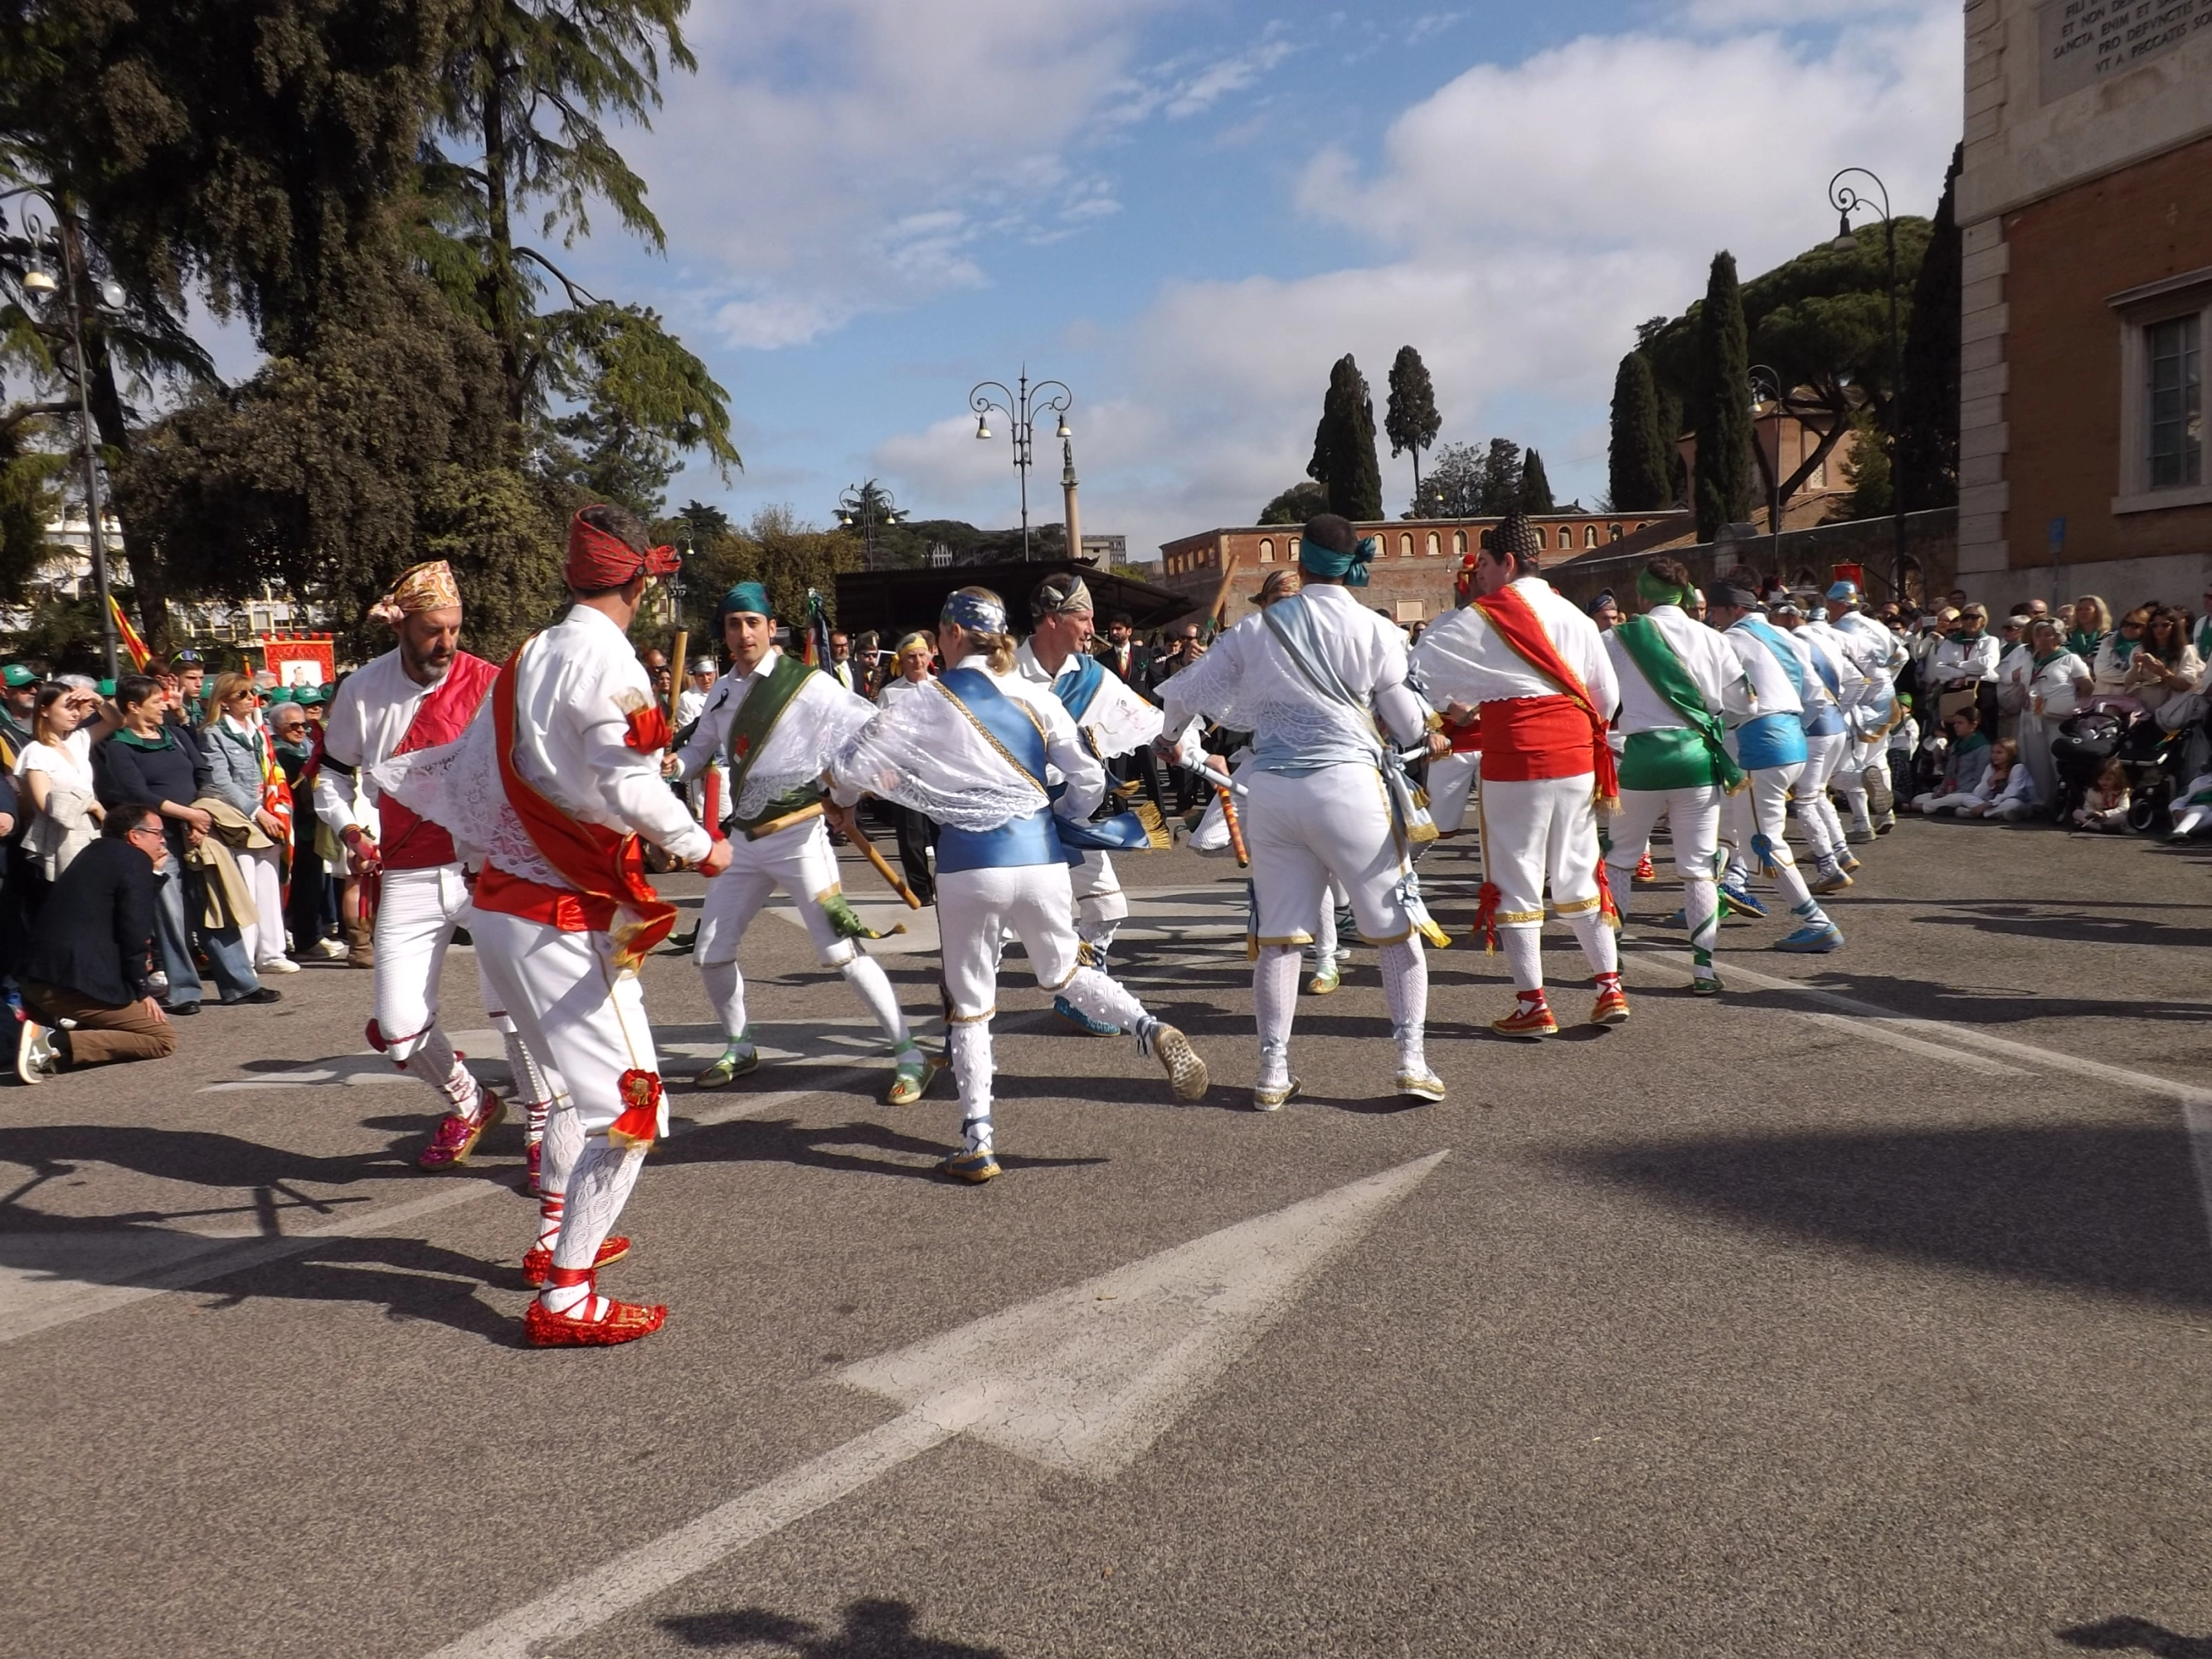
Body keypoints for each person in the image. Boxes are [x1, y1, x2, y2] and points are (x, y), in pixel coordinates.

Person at [379, 506, 730, 1345]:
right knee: (637, 1110)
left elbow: (485, 776)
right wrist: (695, 841)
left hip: (503, 905)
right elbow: (626, 780)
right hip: (558, 916)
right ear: (638, 584)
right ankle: (566, 1295)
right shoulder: (609, 663)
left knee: (571, 1087)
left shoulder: (529, 654)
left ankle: (555, 1242)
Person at [829, 586, 1208, 1180]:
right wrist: (1069, 817)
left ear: (950, 635)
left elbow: (851, 770)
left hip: (967, 865)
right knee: (1063, 972)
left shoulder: (921, 701)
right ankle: (1148, 1025)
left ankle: (977, 1139)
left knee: (972, 1006)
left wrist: (842, 803)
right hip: (1039, 859)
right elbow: (1087, 777)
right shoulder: (1035, 697)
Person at [1159, 521, 1444, 1103]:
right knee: (1395, 933)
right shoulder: (1374, 629)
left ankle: (1271, 1074)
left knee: (1280, 938)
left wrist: (1170, 737)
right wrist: (1433, 738)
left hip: (1270, 793)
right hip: (1347, 790)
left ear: (1302, 560)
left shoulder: (1254, 628)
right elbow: (1411, 725)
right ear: (1350, 565)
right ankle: (1411, 1061)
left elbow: (1184, 694)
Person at [316, 560, 551, 1178]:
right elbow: (334, 774)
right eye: (432, 630)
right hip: (408, 872)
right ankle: (470, 1103)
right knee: (397, 1029)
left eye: (453, 628)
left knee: (512, 1012)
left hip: (486, 867)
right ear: (401, 625)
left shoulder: (491, 683)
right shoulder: (362, 689)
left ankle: (544, 1125)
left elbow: (529, 773)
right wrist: (350, 828)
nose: (446, 642)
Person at [664, 581, 927, 1102]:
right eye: (734, 624)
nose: (743, 634)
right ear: (724, 632)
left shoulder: (806, 683)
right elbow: (700, 753)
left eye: (752, 623)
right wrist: (674, 765)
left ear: (770, 628)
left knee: (839, 953)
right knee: (712, 952)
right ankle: (740, 1047)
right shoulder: (720, 691)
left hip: (799, 836)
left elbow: (870, 728)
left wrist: (848, 787)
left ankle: (909, 1054)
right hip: (742, 840)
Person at [1412, 511, 1625, 1039]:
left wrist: (1457, 712)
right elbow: (1608, 698)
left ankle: (1534, 1004)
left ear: (1507, 562)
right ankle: (1609, 988)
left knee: (1516, 877)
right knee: (1580, 868)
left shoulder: (1480, 615)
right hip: (1577, 757)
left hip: (1515, 759)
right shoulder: (1576, 616)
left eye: (1484, 564)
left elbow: (1417, 673)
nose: (1479, 575)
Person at [1016, 572, 1164, 1032]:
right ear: (1052, 619)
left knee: (1105, 907)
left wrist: (1190, 745)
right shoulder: (1002, 673)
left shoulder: (1091, 675)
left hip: (1068, 810)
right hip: (1015, 817)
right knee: (994, 928)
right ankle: (955, 1028)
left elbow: (1149, 721)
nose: (1090, 627)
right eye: (1082, 617)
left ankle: (1081, 994)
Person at [1600, 560, 1753, 995]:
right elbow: (1742, 704)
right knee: (1699, 868)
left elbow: (1596, 698)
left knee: (1620, 861)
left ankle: (1613, 961)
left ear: (1643, 596)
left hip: (1640, 758)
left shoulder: (1616, 638)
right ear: (1685, 595)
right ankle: (1704, 970)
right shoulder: (1713, 638)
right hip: (1697, 759)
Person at [94, 674, 268, 1013]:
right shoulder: (119, 746)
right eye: (156, 701)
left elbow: (203, 773)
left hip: (198, 832)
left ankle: (240, 984)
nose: (164, 706)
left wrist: (199, 815)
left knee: (215, 905)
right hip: (159, 838)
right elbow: (137, 793)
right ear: (133, 706)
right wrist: (187, 816)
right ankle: (185, 991)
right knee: (170, 914)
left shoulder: (174, 735)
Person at [1705, 580, 1845, 953]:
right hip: (1794, 743)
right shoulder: (1788, 637)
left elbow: (1719, 701)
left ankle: (1816, 921)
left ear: (1734, 609)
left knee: (1763, 841)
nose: (1712, 619)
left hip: (1761, 746)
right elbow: (1817, 696)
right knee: (1737, 825)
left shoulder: (1730, 641)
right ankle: (1720, 892)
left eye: (1715, 612)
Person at [15, 802, 180, 1080]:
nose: (163, 840)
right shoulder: (134, 859)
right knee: (161, 1038)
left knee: (127, 1024)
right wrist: (141, 990)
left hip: (39, 976)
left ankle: (50, 1045)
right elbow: (134, 929)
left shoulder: (94, 852)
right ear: (134, 835)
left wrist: (152, 875)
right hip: (70, 983)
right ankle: (51, 1044)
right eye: (157, 832)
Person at [197, 672, 298, 975]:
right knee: (244, 888)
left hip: (266, 812)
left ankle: (271, 952)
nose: (250, 698)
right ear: (224, 701)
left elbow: (270, 773)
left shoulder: (258, 732)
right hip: (238, 817)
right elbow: (221, 781)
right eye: (241, 694)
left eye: (251, 692)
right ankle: (245, 958)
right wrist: (256, 812)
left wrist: (274, 809)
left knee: (268, 883)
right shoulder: (213, 733)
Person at [1767, 599, 1859, 891]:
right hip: (1836, 725)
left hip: (1814, 728)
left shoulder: (1792, 643)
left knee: (1805, 799)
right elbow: (1858, 679)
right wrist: (1841, 710)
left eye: (1774, 619)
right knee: (1818, 793)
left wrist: (1802, 724)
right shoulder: (1826, 637)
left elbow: (1800, 690)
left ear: (1788, 617)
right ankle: (1841, 851)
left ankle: (1829, 866)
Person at [13, 681, 104, 890]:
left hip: (91, 830)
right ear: (44, 710)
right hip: (62, 838)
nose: (75, 714)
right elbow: (46, 804)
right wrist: (93, 805)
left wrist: (96, 698)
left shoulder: (77, 740)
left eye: (76, 707)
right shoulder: (37, 751)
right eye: (67, 707)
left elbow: (116, 719)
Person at [267, 697, 336, 959]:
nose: (301, 730)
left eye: (304, 725)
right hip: (287, 827)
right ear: (277, 728)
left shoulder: (308, 749)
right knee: (290, 886)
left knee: (312, 884)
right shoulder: (275, 754)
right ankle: (296, 938)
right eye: (293, 726)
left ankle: (309, 936)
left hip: (310, 826)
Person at [874, 632, 940, 904]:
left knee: (943, 833)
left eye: (921, 655)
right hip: (905, 771)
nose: (917, 661)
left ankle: (949, 887)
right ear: (902, 660)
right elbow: (879, 736)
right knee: (911, 835)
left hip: (938, 772)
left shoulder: (942, 688)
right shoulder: (891, 694)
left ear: (929, 656)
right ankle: (921, 892)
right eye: (911, 656)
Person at [2006, 618, 2093, 811]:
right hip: (2031, 716)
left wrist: (2071, 705)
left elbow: (2087, 686)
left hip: (2057, 719)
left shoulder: (2069, 659)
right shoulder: (2031, 658)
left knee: (2057, 761)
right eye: (2039, 635)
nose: (2043, 639)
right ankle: (2041, 801)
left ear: (2058, 637)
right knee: (2034, 760)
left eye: (2048, 635)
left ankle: (2066, 802)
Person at [1910, 708, 1993, 815]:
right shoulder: (1956, 745)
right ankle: (1949, 809)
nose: (1955, 726)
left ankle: (1922, 808)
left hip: (1967, 793)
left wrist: (1955, 792)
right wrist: (1942, 789)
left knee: (1954, 798)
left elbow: (1979, 780)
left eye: (1960, 723)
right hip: (1951, 791)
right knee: (1918, 798)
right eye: (1955, 723)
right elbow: (1950, 774)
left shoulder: (1983, 748)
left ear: (1973, 725)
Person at [2093, 606, 2150, 694]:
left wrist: (2134, 678)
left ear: (2145, 628)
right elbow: (2101, 672)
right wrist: (2131, 678)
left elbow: (2148, 676)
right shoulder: (2109, 641)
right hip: (2105, 695)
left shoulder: (2147, 647)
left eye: (2135, 626)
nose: (2128, 628)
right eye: (2125, 624)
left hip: (2136, 697)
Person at [2071, 760, 2131, 832]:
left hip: (2110, 817)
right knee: (2077, 812)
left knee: (2121, 817)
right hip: (2095, 817)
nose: (2103, 782)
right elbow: (2087, 806)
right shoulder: (2092, 791)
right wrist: (2093, 813)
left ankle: (2091, 827)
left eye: (2108, 779)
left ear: (2117, 779)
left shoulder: (2123, 791)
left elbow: (2124, 808)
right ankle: (2101, 828)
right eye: (2100, 779)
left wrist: (2105, 814)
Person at [0, 663, 36, 769]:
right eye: (26, 687)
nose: (34, 691)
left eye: (36, 685)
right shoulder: (2, 729)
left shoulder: (51, 717)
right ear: (5, 693)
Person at [2066, 595, 2112, 664]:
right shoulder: (2068, 636)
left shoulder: (2107, 637)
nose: (2083, 612)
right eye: (2079, 609)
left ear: (2098, 612)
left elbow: (2105, 660)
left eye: (2088, 609)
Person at [676, 656, 716, 727]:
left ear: (714, 673)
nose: (706, 679)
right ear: (695, 677)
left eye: (708, 674)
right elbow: (686, 728)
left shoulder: (723, 692)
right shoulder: (686, 698)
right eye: (701, 675)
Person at [824, 630, 861, 695]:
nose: (844, 649)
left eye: (845, 645)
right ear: (829, 647)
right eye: (838, 646)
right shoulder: (825, 670)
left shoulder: (856, 666)